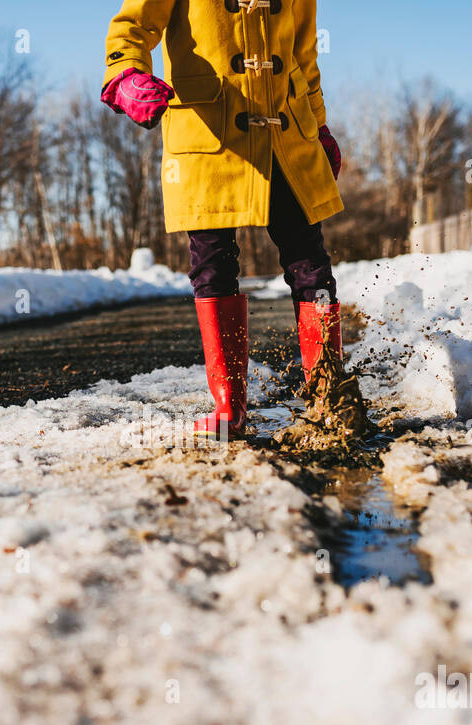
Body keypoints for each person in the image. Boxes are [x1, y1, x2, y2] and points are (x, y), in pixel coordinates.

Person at [101, 0, 343, 440]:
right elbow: (132, 26)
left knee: (311, 263)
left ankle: (330, 399)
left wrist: (320, 126)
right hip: (208, 133)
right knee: (212, 263)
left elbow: (304, 56)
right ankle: (229, 408)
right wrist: (124, 74)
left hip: (286, 133)